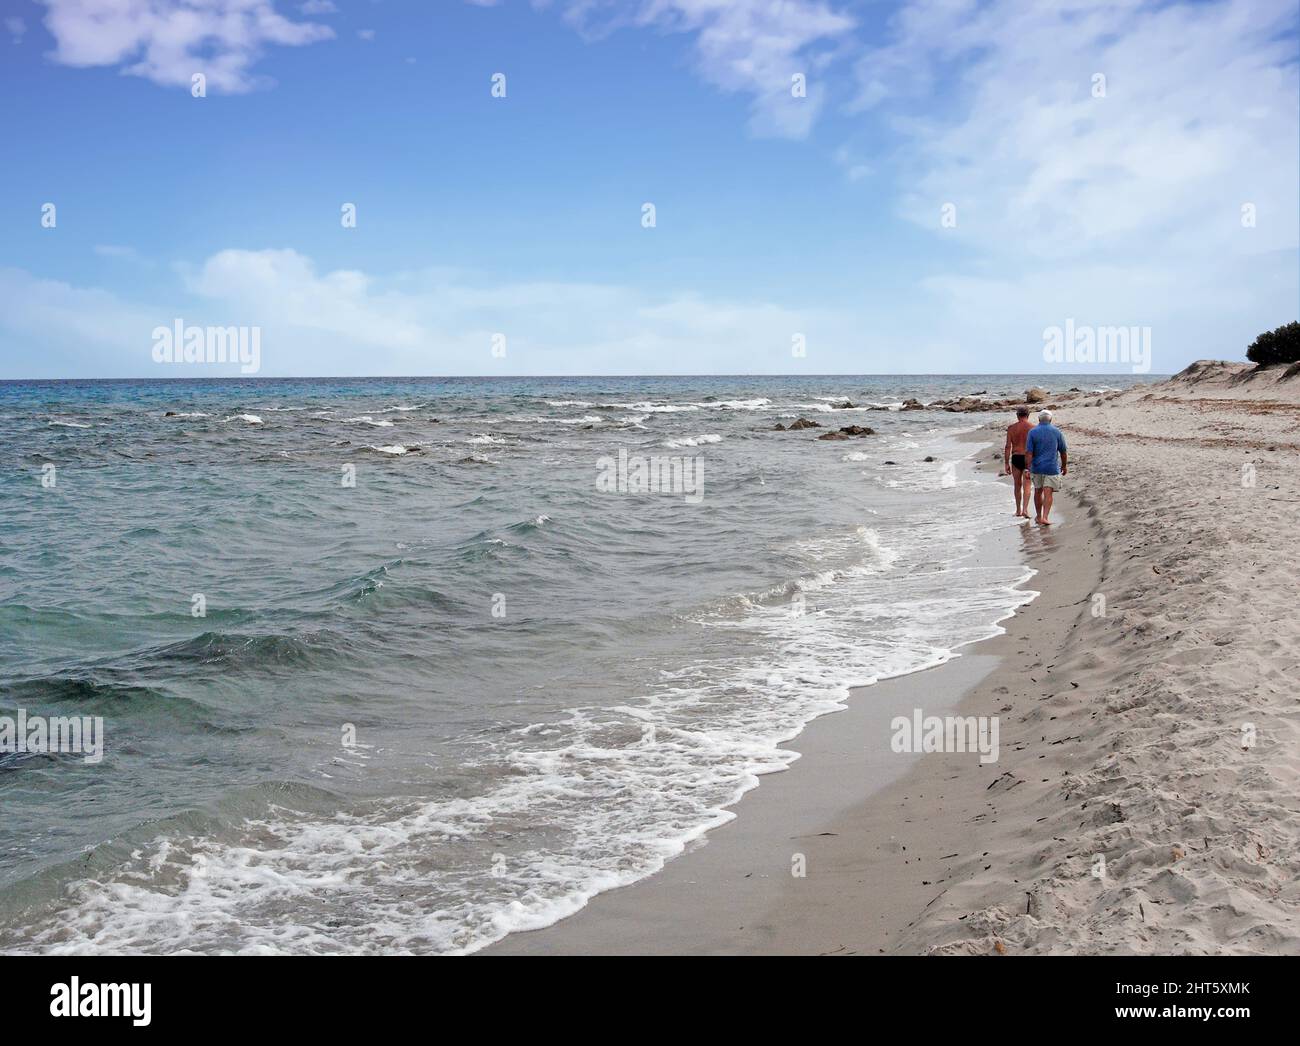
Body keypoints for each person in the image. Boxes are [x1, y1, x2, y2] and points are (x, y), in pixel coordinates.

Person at [1025, 409, 1067, 525]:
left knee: (1038, 491)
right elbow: (1063, 451)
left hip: (1037, 467)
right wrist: (1064, 466)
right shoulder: (1057, 432)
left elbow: (1029, 453)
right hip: (1051, 467)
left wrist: (1027, 469)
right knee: (1048, 493)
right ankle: (1045, 517)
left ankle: (1038, 516)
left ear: (1039, 419)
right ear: (1051, 419)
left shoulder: (1032, 432)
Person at [1003, 406, 1033, 518]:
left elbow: (1007, 447)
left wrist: (1006, 463)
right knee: (1027, 485)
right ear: (1028, 415)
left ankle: (1018, 510)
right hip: (1028, 458)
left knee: (1017, 485)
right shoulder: (1033, 428)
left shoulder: (1011, 428)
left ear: (1017, 415)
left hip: (1016, 457)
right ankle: (1025, 509)